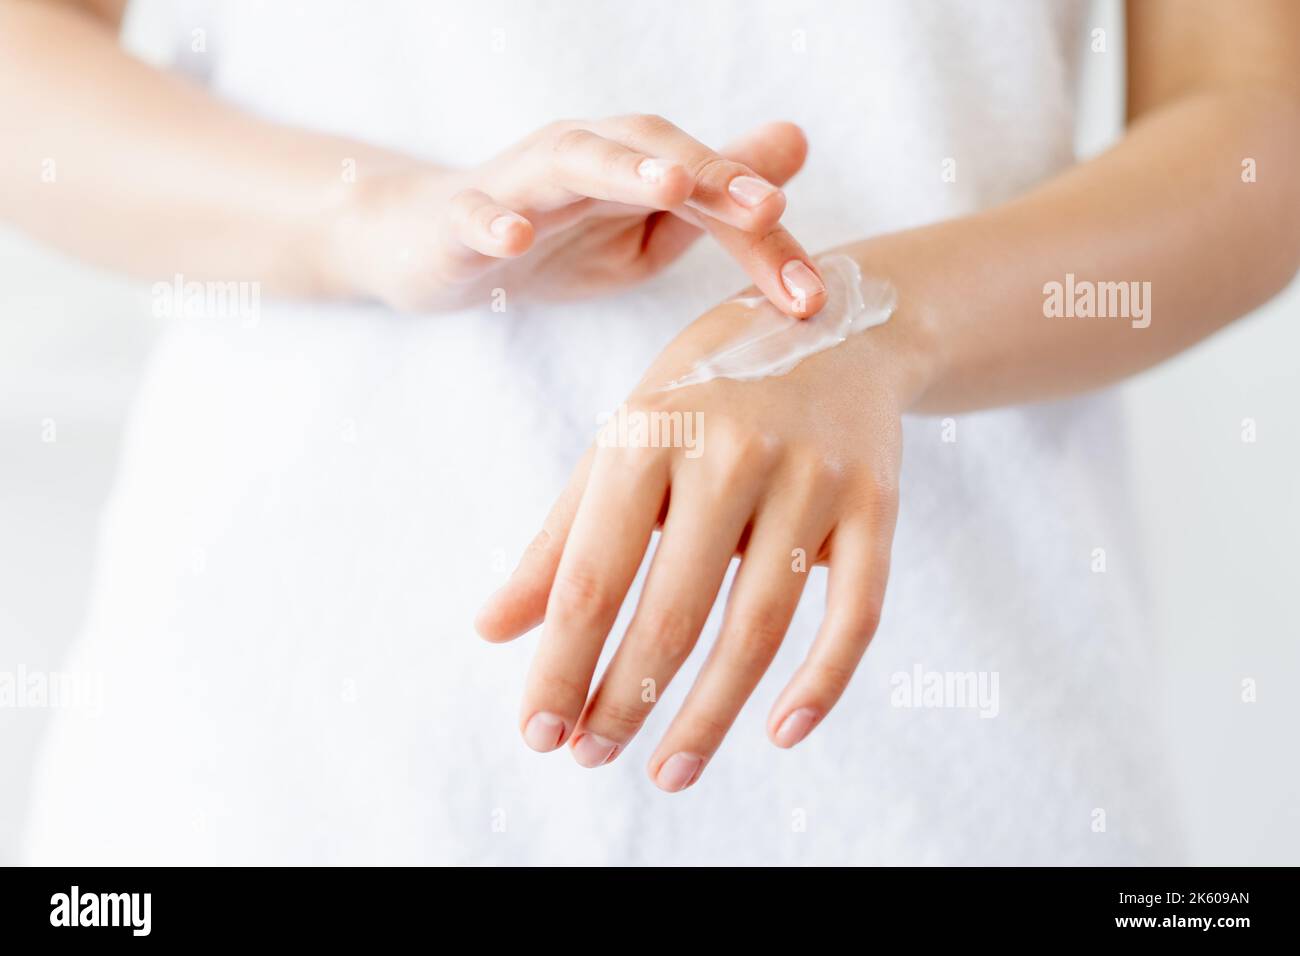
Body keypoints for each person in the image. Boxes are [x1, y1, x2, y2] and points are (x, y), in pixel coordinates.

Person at [5, 0, 1298, 865]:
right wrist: (385, 218)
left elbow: (1259, 118)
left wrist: (873, 324)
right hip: (284, 760)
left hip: (944, 762)